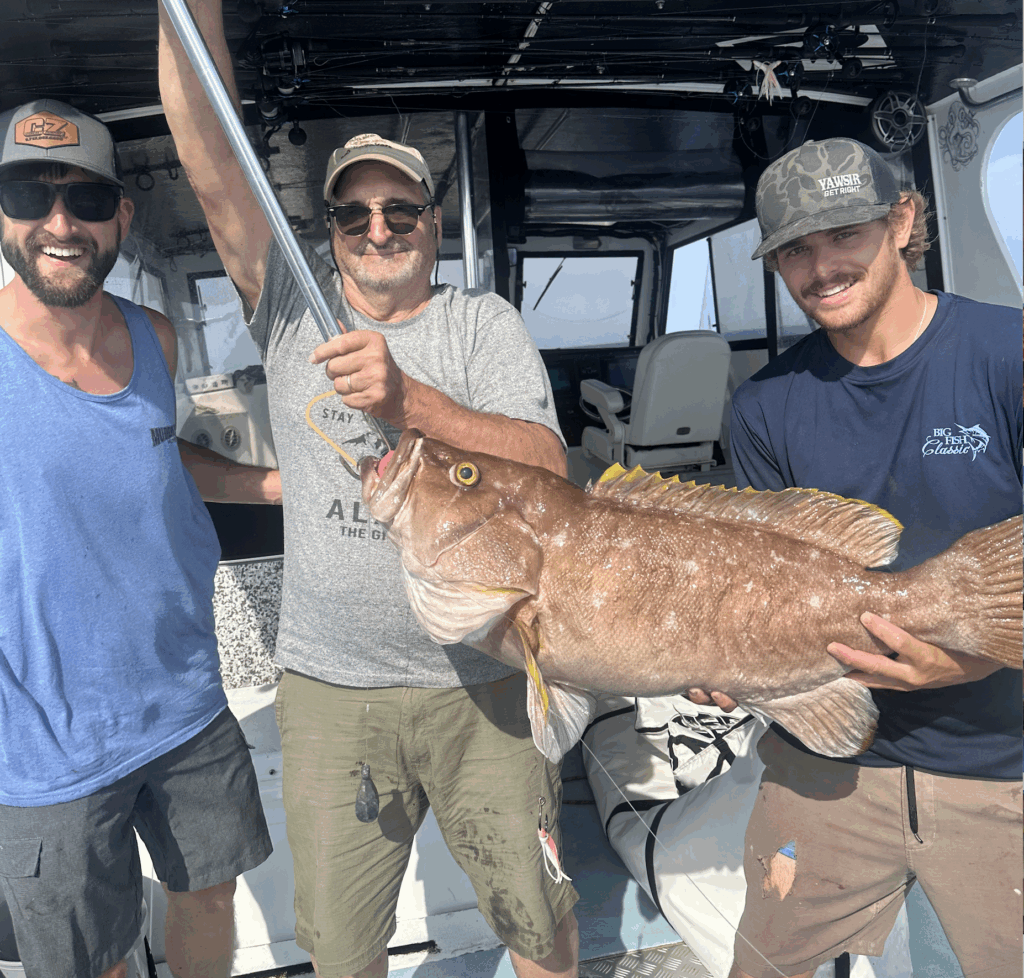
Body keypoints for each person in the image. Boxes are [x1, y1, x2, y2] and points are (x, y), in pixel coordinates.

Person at [157, 4, 580, 978]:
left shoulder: (482, 326)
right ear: (330, 232)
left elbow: (548, 467)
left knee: (535, 917)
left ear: (433, 223)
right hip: (330, 691)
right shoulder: (287, 308)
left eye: (400, 211)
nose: (377, 228)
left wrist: (408, 400)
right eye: (353, 214)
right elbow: (213, 167)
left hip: (483, 681)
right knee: (343, 950)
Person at [691, 137, 1022, 978]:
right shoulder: (763, 406)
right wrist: (716, 658)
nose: (821, 268)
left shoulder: (1008, 356)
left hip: (1003, 767)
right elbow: (759, 591)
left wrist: (971, 660)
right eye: (795, 251)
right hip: (825, 769)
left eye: (844, 235)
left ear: (902, 221)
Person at [0, 99, 276, 978]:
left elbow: (157, 453)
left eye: (85, 200)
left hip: (186, 697)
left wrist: (272, 485)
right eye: (29, 195)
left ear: (121, 215)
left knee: (211, 893)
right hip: (48, 738)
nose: (59, 224)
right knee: (93, 954)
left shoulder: (155, 337)